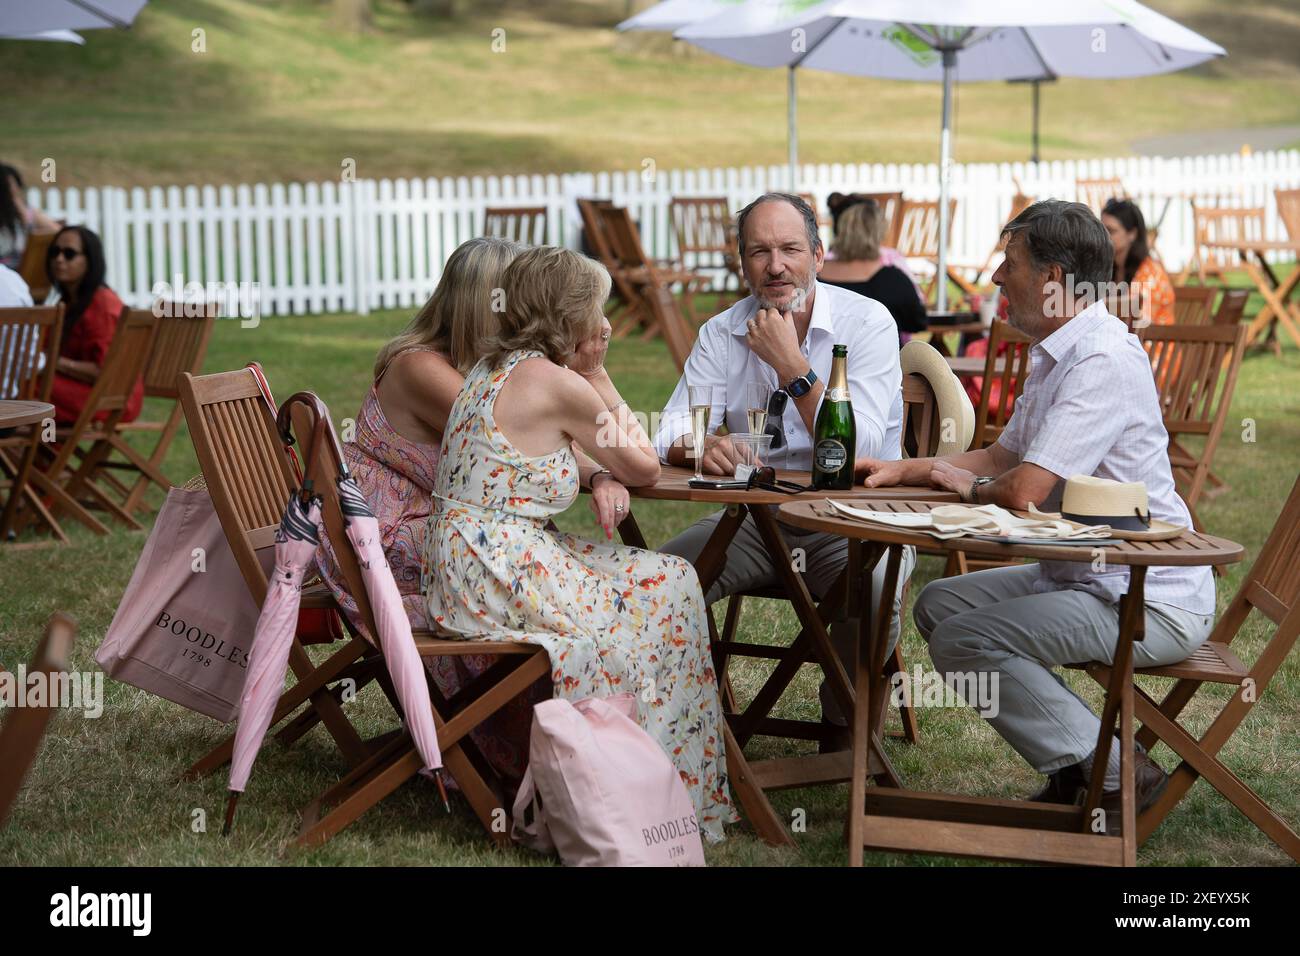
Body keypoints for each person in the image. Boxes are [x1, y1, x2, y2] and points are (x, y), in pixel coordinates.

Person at [858, 200, 1214, 828]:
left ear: (1053, 279)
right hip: (1091, 576)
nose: (996, 276)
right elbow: (1001, 453)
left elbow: (1022, 487)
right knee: (939, 606)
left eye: (1009, 262)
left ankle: (1112, 770)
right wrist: (907, 469)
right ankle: (1078, 765)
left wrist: (962, 490)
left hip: (1145, 593)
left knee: (964, 638)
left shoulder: (1101, 357)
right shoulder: (1058, 348)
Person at [422, 244, 735, 840]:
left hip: (468, 564)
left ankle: (653, 781)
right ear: (569, 319)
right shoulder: (558, 381)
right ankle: (647, 797)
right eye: (597, 309)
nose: (608, 323)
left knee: (664, 578)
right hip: (493, 571)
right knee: (665, 593)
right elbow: (643, 465)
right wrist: (596, 372)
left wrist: (597, 462)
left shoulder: (495, 369)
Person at [653, 192, 913, 749]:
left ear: (819, 256)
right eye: (759, 251)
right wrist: (696, 448)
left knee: (869, 592)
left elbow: (861, 443)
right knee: (660, 580)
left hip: (851, 518)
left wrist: (793, 367)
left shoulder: (866, 323)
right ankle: (686, 727)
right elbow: (670, 425)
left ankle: (842, 726)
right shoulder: (723, 331)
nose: (776, 266)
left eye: (791, 249)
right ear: (741, 262)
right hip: (752, 520)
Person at [44, 225, 141, 424]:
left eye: (69, 254)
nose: (59, 259)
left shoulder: (102, 304)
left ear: (90, 260)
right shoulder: (67, 302)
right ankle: (37, 453)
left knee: (25, 388)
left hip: (109, 399)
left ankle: (34, 452)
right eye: (55, 252)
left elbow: (105, 370)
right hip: (83, 390)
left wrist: (52, 361)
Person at [819, 198, 928, 340]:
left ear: (841, 230)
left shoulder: (815, 276)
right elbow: (917, 322)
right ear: (879, 233)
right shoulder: (893, 280)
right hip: (881, 359)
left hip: (819, 358)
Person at [1101, 198, 1173, 327]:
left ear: (1132, 234)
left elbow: (1136, 320)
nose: (1104, 237)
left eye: (1111, 231)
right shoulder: (1111, 268)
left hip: (1151, 344)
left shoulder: (1151, 272)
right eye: (1101, 230)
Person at [0, 164, 59, 271]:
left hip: (13, 271)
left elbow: (56, 230)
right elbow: (56, 229)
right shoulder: (26, 211)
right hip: (26, 272)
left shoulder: (26, 212)